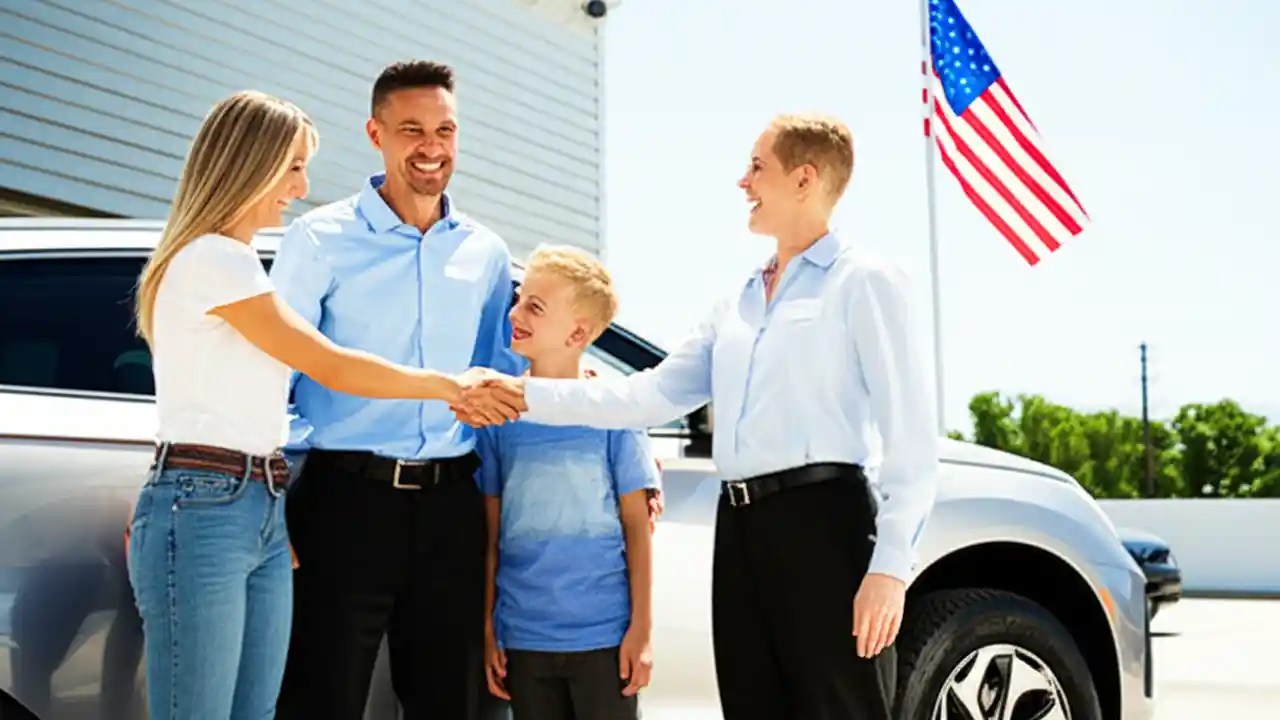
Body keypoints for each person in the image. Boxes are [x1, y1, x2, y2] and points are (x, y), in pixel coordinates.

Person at [456, 113, 940, 720]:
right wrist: (521, 395)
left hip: (825, 528)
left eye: (757, 167)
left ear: (805, 179)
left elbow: (912, 444)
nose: (743, 182)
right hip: (738, 530)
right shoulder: (736, 300)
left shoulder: (864, 282)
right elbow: (646, 397)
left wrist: (890, 568)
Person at [126, 90, 513, 720]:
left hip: (258, 499)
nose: (301, 188)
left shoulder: (243, 264)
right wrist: (448, 387)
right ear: (247, 164)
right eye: (292, 167)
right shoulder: (214, 262)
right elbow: (326, 363)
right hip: (206, 500)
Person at [268, 60, 527, 720]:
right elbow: (272, 377)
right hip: (343, 505)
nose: (431, 147)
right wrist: (270, 510)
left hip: (452, 510)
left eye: (445, 129)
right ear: (375, 133)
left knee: (457, 705)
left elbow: (503, 380)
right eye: (411, 129)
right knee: (321, 700)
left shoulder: (487, 253)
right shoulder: (318, 239)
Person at [478, 246, 659, 720]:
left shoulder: (613, 412)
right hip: (524, 636)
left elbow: (637, 528)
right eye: (519, 300)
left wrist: (641, 630)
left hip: (603, 638)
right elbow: (491, 535)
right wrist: (488, 628)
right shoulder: (502, 416)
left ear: (577, 333)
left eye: (535, 307)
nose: (515, 312)